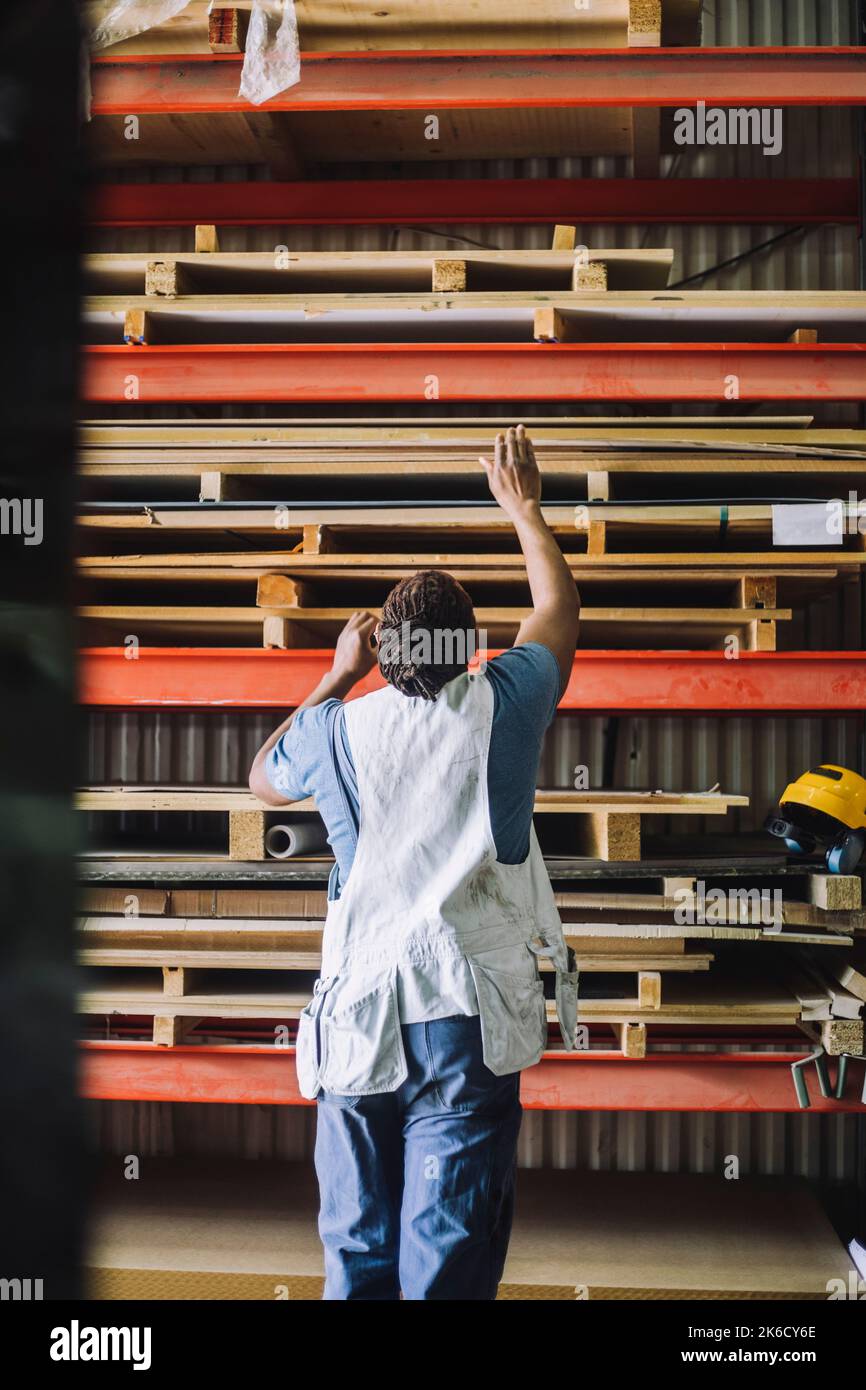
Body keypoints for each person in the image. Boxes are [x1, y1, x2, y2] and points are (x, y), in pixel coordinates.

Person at [249, 425, 581, 1300]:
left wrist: (333, 673)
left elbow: (261, 781)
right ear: (472, 648)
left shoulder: (333, 729)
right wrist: (524, 509)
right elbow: (557, 608)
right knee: (449, 1245)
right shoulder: (508, 702)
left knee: (356, 1244)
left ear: (384, 659)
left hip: (358, 1016)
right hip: (463, 1019)